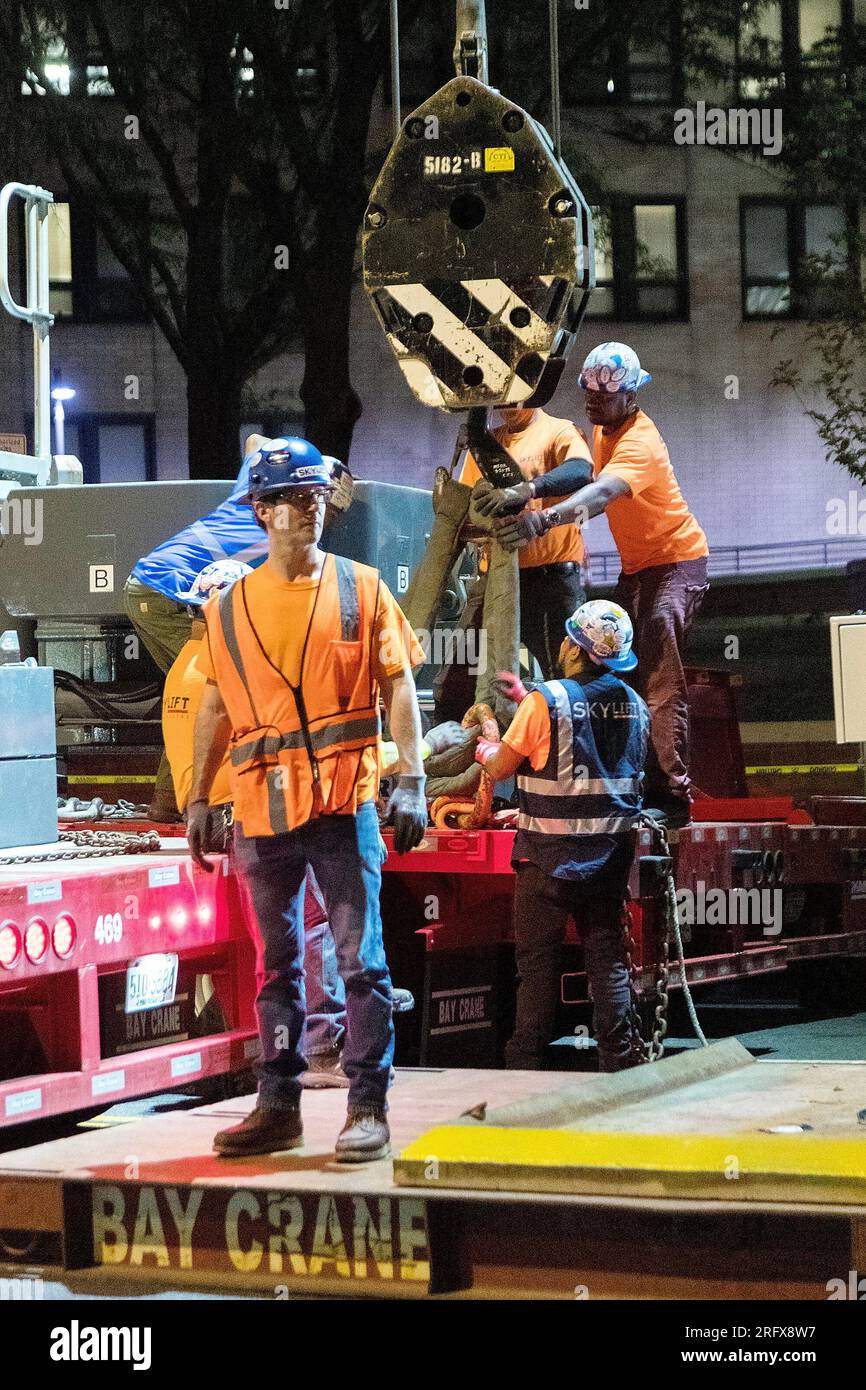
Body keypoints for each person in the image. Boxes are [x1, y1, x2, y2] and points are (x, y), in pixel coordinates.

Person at [187, 438, 427, 1161]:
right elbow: (215, 704)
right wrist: (198, 798)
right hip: (261, 815)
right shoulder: (228, 609)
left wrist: (411, 778)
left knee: (361, 963)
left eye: (317, 495)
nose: (311, 507)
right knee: (277, 970)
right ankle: (277, 1103)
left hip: (340, 805)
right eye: (294, 497)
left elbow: (397, 686)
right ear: (263, 511)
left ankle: (366, 1104)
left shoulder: (361, 588)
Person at [162, 557, 369, 1089]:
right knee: (312, 930)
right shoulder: (226, 670)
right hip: (254, 811)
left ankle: (287, 1052)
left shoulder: (184, 665)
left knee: (277, 948)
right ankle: (321, 1050)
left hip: (223, 813)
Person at [493, 345, 708, 826]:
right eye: (587, 394)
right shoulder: (605, 428)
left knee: (657, 674)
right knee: (616, 675)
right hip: (638, 569)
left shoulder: (640, 442)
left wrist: (543, 519)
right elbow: (587, 480)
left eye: (603, 397)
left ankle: (672, 800)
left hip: (676, 564)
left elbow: (604, 491)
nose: (592, 403)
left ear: (630, 395)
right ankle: (624, 782)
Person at [125, 435, 353, 821]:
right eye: (323, 503)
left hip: (150, 584)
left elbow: (252, 440)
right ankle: (187, 798)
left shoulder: (255, 485)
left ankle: (169, 798)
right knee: (214, 687)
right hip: (165, 592)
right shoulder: (276, 538)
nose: (323, 518)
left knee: (194, 692)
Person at [474, 600, 650, 1072]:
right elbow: (598, 772)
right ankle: (621, 1065)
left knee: (536, 971)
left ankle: (524, 1068)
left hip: (547, 861)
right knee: (607, 964)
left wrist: (487, 748)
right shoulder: (636, 706)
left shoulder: (545, 701)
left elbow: (503, 767)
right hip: (609, 860)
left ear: (573, 645)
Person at [433, 405, 594, 723]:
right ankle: (455, 757)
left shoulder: (558, 431)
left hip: (551, 582)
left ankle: (565, 761)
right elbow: (468, 507)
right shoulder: (487, 446)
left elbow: (581, 471)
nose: (508, 407)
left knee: (566, 684)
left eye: (514, 398)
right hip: (497, 583)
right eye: (501, 400)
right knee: (457, 687)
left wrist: (529, 489)